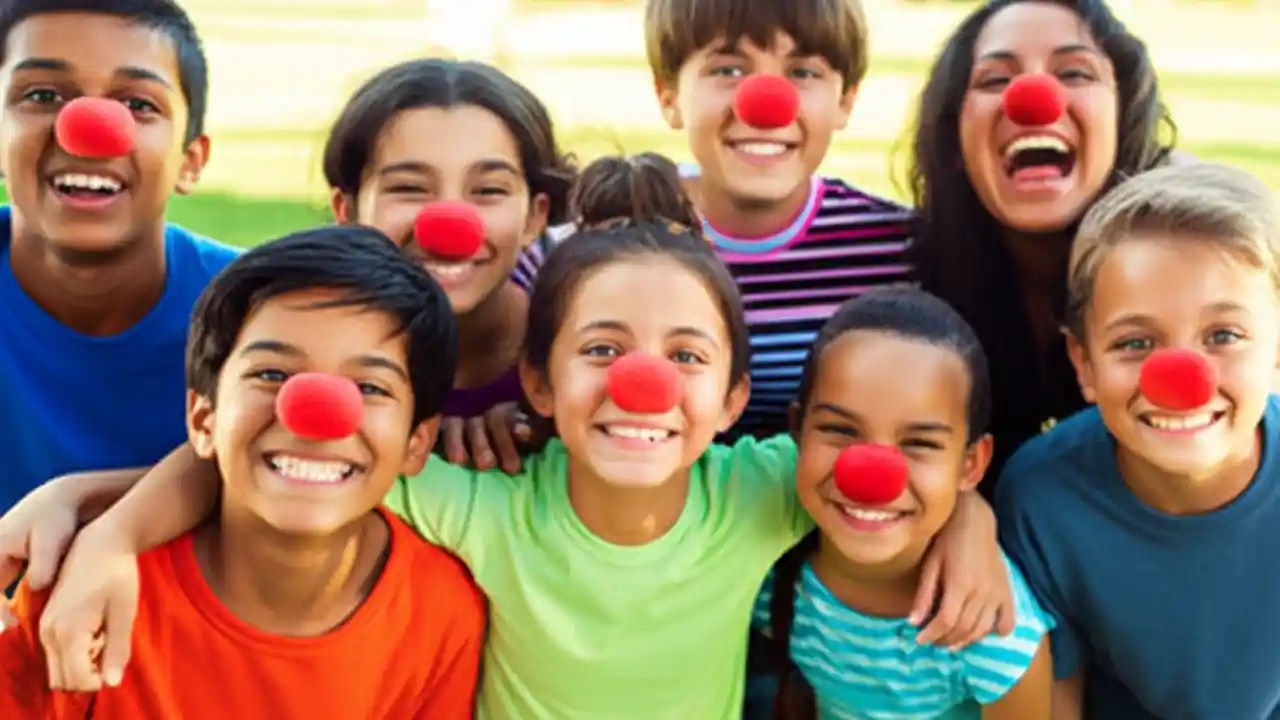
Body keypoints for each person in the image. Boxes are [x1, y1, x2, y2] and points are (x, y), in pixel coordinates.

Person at [0, 226, 485, 717]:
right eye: (272, 374)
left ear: (417, 442)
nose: (315, 417)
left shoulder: (440, 614)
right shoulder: (85, 588)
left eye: (371, 387)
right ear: (202, 419)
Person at [995, 163, 1280, 719]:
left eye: (1223, 335)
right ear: (1084, 363)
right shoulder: (1043, 499)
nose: (1181, 381)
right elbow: (1054, 698)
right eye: (1135, 343)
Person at [907, 0, 1176, 483]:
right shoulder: (912, 283)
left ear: (1123, 117)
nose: (1032, 98)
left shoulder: (1202, 266)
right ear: (955, 136)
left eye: (1074, 73)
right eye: (994, 80)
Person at [759, 288, 1053, 719]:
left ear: (971, 464)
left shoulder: (992, 636)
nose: (873, 477)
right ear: (797, 431)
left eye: (920, 443)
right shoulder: (764, 566)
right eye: (840, 430)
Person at [0, 0, 237, 513]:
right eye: (42, 96)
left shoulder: (261, 310)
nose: (87, 131)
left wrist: (85, 501)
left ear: (190, 159)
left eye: (138, 104)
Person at [645, 0, 915, 441]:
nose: (766, 105)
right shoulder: (607, 239)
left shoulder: (902, 252)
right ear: (669, 96)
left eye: (803, 72)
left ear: (846, 100)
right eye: (728, 70)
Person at [323, 57, 575, 474]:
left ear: (535, 216)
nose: (451, 225)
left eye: (488, 190)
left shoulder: (579, 350)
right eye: (409, 188)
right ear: (347, 212)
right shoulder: (308, 340)